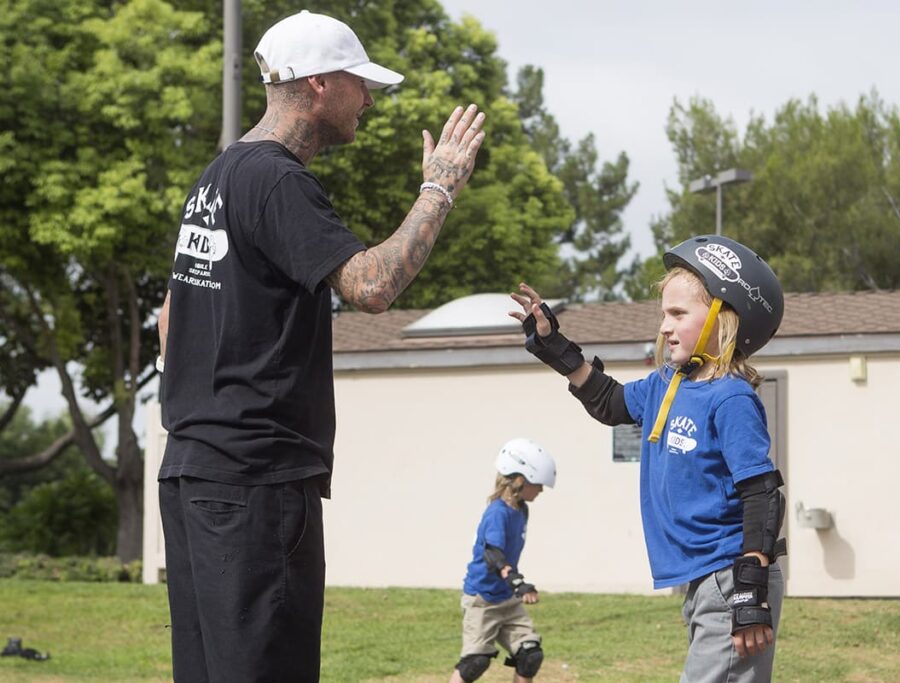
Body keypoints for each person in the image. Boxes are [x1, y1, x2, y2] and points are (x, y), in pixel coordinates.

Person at [155, 9, 486, 683]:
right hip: (255, 484)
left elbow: (170, 314)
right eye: (359, 83)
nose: (368, 99)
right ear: (318, 85)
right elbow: (370, 285)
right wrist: (439, 190)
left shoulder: (216, 178)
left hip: (194, 473)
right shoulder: (276, 179)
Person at [509, 235, 787, 683]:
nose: (664, 327)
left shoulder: (729, 397)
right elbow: (610, 403)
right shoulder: (667, 385)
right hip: (704, 579)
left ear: (724, 319)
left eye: (678, 314)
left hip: (734, 575)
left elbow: (761, 491)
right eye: (664, 314)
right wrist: (554, 346)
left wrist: (751, 591)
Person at [450, 438, 556, 683]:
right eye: (537, 484)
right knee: (474, 663)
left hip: (507, 599)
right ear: (519, 480)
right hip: (483, 600)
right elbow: (493, 554)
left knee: (530, 656)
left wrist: (514, 586)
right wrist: (517, 581)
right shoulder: (497, 512)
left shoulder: (521, 509)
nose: (540, 490)